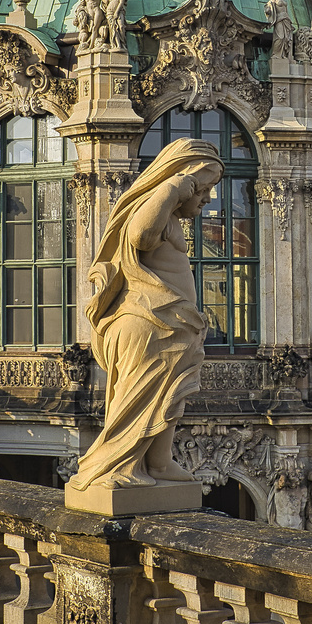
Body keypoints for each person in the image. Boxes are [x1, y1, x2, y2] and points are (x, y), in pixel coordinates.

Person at [67, 139, 224, 491]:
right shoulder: (152, 207)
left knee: (167, 396)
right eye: (204, 189)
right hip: (148, 323)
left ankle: (158, 461)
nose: (208, 199)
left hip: (167, 324)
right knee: (137, 402)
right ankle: (114, 466)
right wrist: (171, 188)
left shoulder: (167, 214)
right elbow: (140, 236)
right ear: (182, 180)